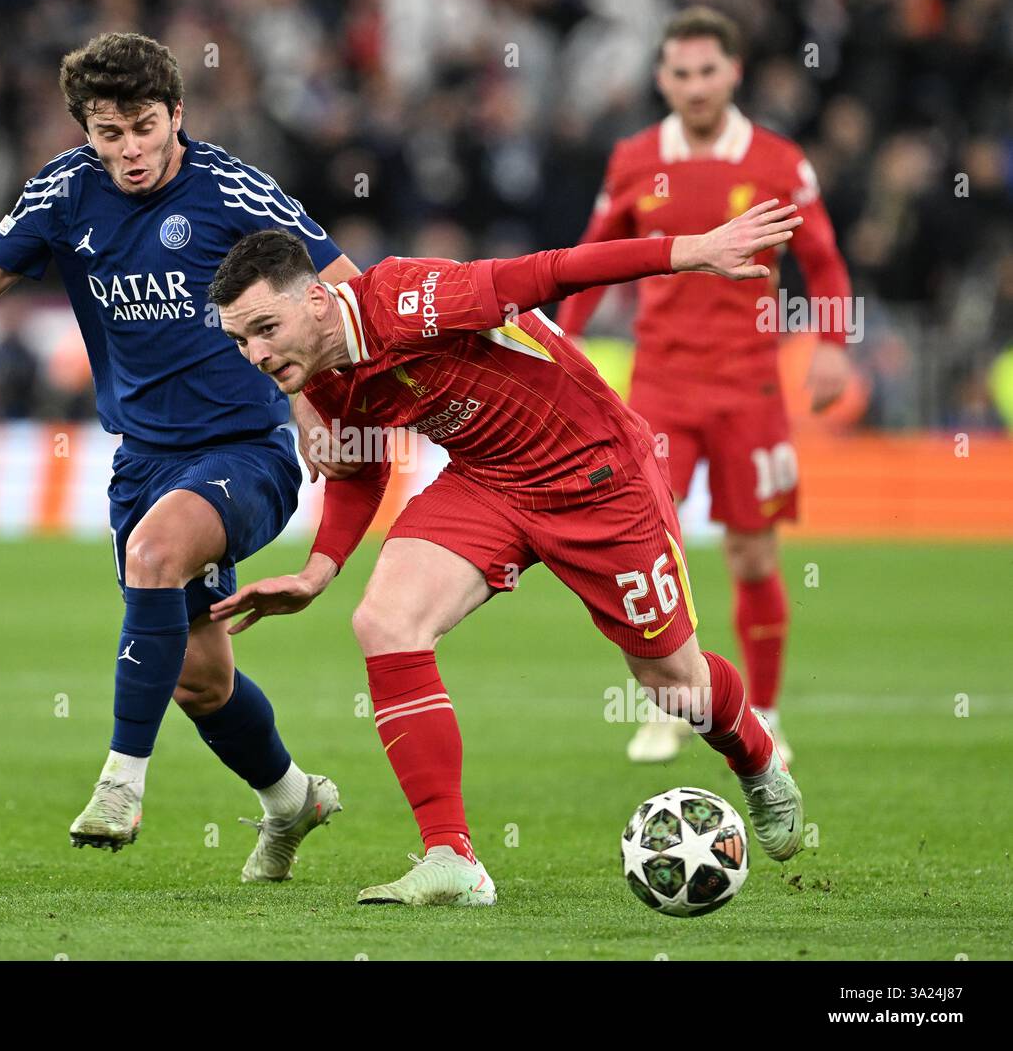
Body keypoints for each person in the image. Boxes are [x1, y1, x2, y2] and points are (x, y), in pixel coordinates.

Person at [0, 32, 357, 882]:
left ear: (177, 116)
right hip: (143, 461)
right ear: (85, 129)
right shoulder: (63, 190)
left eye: (144, 127)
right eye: (107, 131)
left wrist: (315, 399)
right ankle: (290, 797)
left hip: (247, 450)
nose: (128, 149)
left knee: (154, 554)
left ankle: (121, 782)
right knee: (200, 680)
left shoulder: (232, 187)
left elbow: (340, 286)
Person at [207, 201, 806, 907]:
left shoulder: (405, 299)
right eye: (242, 340)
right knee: (386, 622)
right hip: (489, 481)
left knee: (673, 682)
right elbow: (359, 465)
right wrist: (319, 568)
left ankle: (758, 760)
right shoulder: (319, 373)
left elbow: (551, 271)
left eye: (265, 329)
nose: (256, 354)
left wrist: (690, 249)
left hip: (597, 475)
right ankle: (452, 857)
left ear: (314, 300)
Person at [558, 7, 854, 764]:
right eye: (680, 73)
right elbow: (593, 258)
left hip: (750, 387)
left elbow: (821, 259)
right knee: (648, 552)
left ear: (734, 72)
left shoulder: (779, 161)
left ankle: (770, 711)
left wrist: (831, 345)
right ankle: (673, 702)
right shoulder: (632, 158)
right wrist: (560, 339)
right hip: (660, 383)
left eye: (707, 71)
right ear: (662, 78)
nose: (694, 86)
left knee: (753, 556)